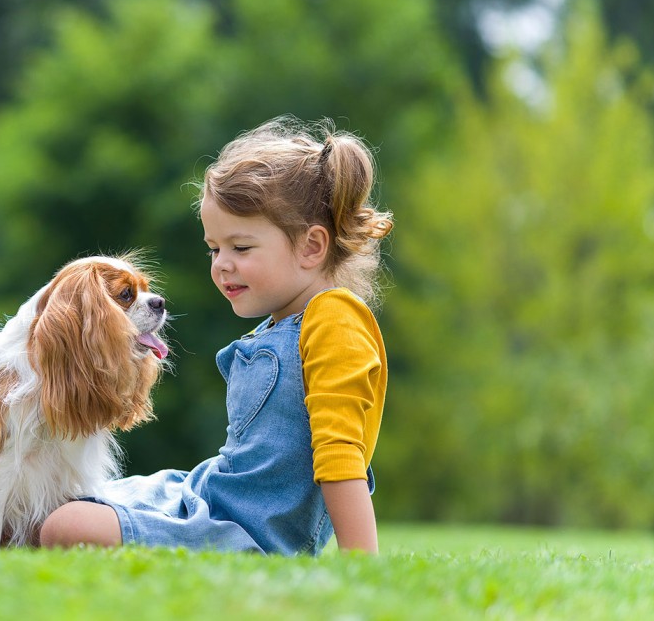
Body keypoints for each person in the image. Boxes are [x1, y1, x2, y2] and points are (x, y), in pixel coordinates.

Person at [39, 115, 393, 554]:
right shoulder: (281, 323)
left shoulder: (335, 320)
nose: (221, 264)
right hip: (207, 497)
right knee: (49, 506)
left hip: (246, 533)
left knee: (64, 525)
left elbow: (341, 455)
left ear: (311, 247)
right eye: (214, 248)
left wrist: (363, 564)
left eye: (240, 248)